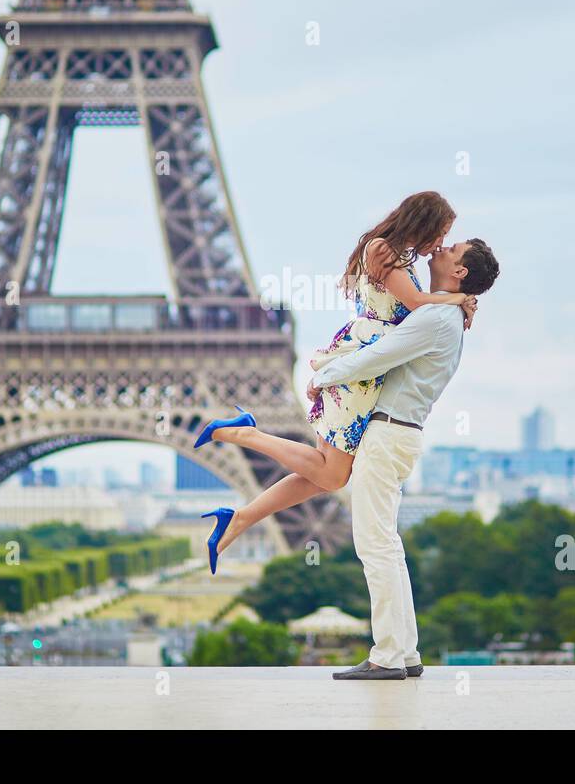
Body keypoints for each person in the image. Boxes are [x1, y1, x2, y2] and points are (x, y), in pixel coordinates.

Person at [193, 192, 476, 574]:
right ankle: (244, 436)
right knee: (331, 474)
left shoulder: (391, 253)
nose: (440, 242)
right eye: (441, 231)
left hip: (366, 369)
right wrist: (459, 297)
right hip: (359, 370)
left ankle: (240, 517)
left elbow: (419, 306)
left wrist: (456, 299)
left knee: (324, 474)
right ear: (423, 221)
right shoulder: (383, 249)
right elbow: (416, 305)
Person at [320, 237, 500, 679]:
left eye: (450, 249)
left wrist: (324, 375)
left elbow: (378, 356)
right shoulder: (447, 313)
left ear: (460, 272)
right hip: (400, 433)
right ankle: (406, 652)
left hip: (387, 433)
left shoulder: (438, 316)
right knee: (388, 547)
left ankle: (386, 655)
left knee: (375, 546)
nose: (439, 249)